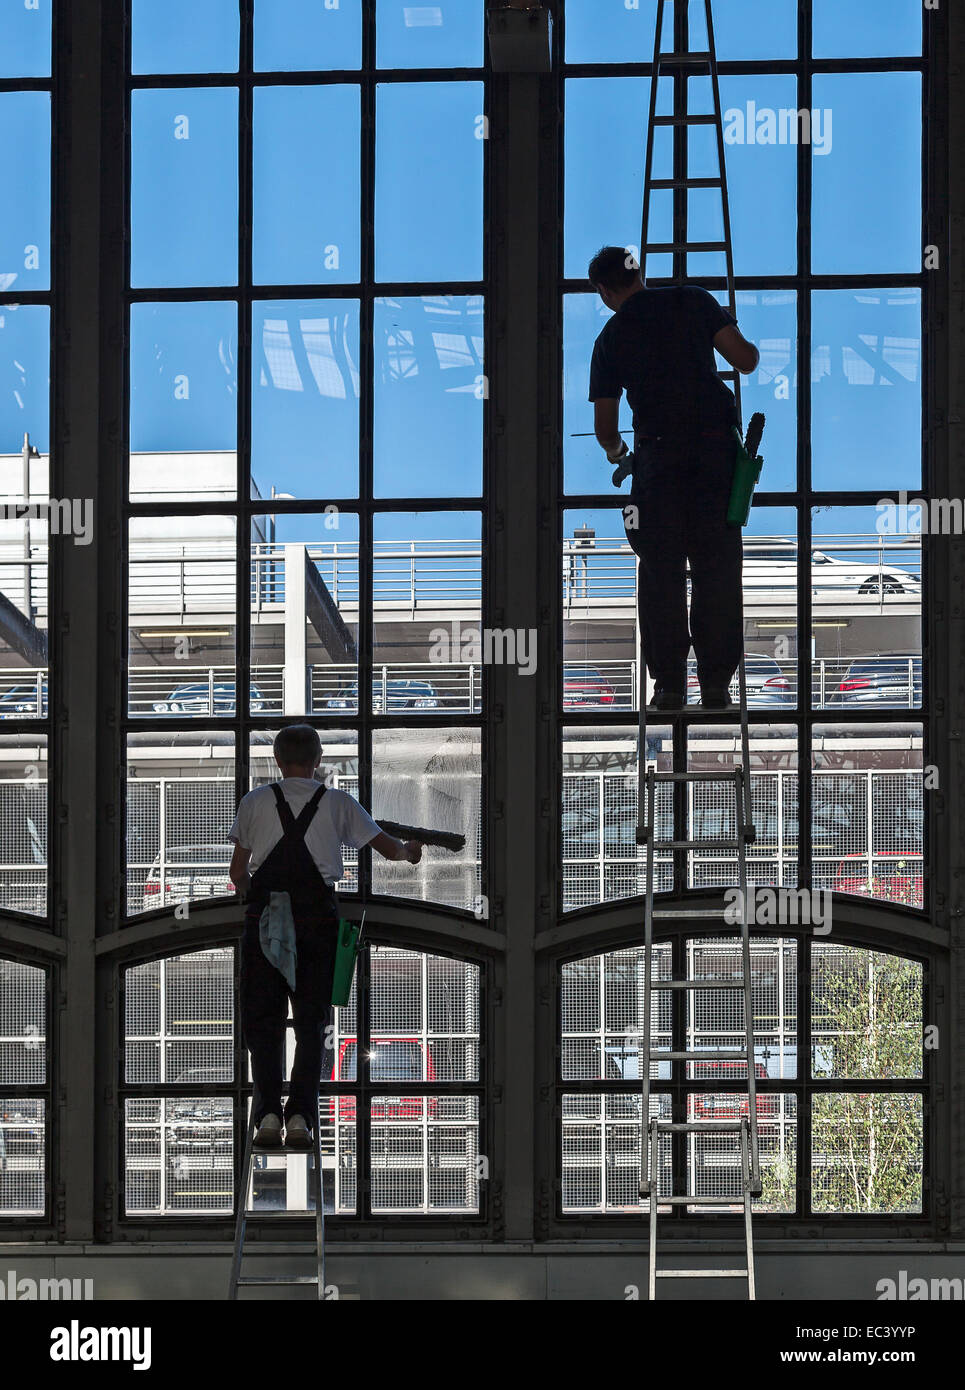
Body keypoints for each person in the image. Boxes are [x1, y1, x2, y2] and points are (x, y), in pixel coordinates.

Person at [228, 723, 423, 1150]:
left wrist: (256, 897)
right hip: (318, 922)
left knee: (264, 1023)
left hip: (266, 921)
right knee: (311, 1023)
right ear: (318, 761)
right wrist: (410, 850)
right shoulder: (338, 802)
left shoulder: (255, 802)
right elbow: (391, 850)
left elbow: (238, 872)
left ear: (277, 760)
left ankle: (266, 1116)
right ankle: (300, 1117)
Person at [587, 246, 760, 710]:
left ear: (603, 291)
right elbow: (745, 360)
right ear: (638, 273)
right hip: (715, 455)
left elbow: (606, 430)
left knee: (660, 572)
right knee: (717, 569)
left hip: (658, 461)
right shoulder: (693, 300)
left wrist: (621, 455)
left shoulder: (610, 338)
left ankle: (669, 685)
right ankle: (716, 685)